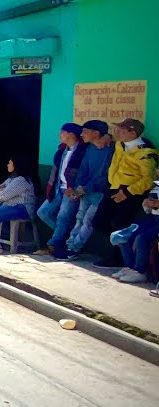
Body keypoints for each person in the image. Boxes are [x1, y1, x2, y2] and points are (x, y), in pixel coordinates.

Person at [93, 118, 157, 268]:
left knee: (121, 224)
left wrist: (127, 192)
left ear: (132, 133)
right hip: (113, 188)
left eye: (122, 130)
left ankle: (118, 258)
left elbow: (148, 179)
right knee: (98, 221)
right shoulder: (120, 145)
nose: (117, 133)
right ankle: (117, 250)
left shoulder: (145, 153)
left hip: (130, 193)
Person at [35, 123, 86, 258]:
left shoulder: (82, 151)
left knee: (63, 217)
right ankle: (66, 235)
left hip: (71, 189)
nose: (60, 135)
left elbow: (82, 173)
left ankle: (53, 245)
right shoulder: (62, 150)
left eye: (63, 132)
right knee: (43, 212)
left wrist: (75, 188)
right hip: (58, 188)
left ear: (72, 134)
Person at [66, 119, 114, 259]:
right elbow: (83, 169)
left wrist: (85, 188)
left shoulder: (110, 150)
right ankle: (70, 246)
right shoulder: (89, 148)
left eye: (85, 132)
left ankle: (74, 248)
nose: (81, 134)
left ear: (96, 133)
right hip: (86, 191)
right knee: (79, 218)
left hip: (100, 193)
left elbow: (105, 175)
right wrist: (78, 188)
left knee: (88, 221)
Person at [0, 155, 39, 254]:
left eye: (10, 163)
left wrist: (0, 191)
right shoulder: (11, 179)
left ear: (16, 165)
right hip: (9, 207)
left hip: (22, 209)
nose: (7, 165)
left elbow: (3, 196)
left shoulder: (21, 180)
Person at [113, 193, 159, 284]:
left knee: (141, 238)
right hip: (152, 218)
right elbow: (148, 209)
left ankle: (140, 271)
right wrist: (146, 204)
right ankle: (130, 268)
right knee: (125, 235)